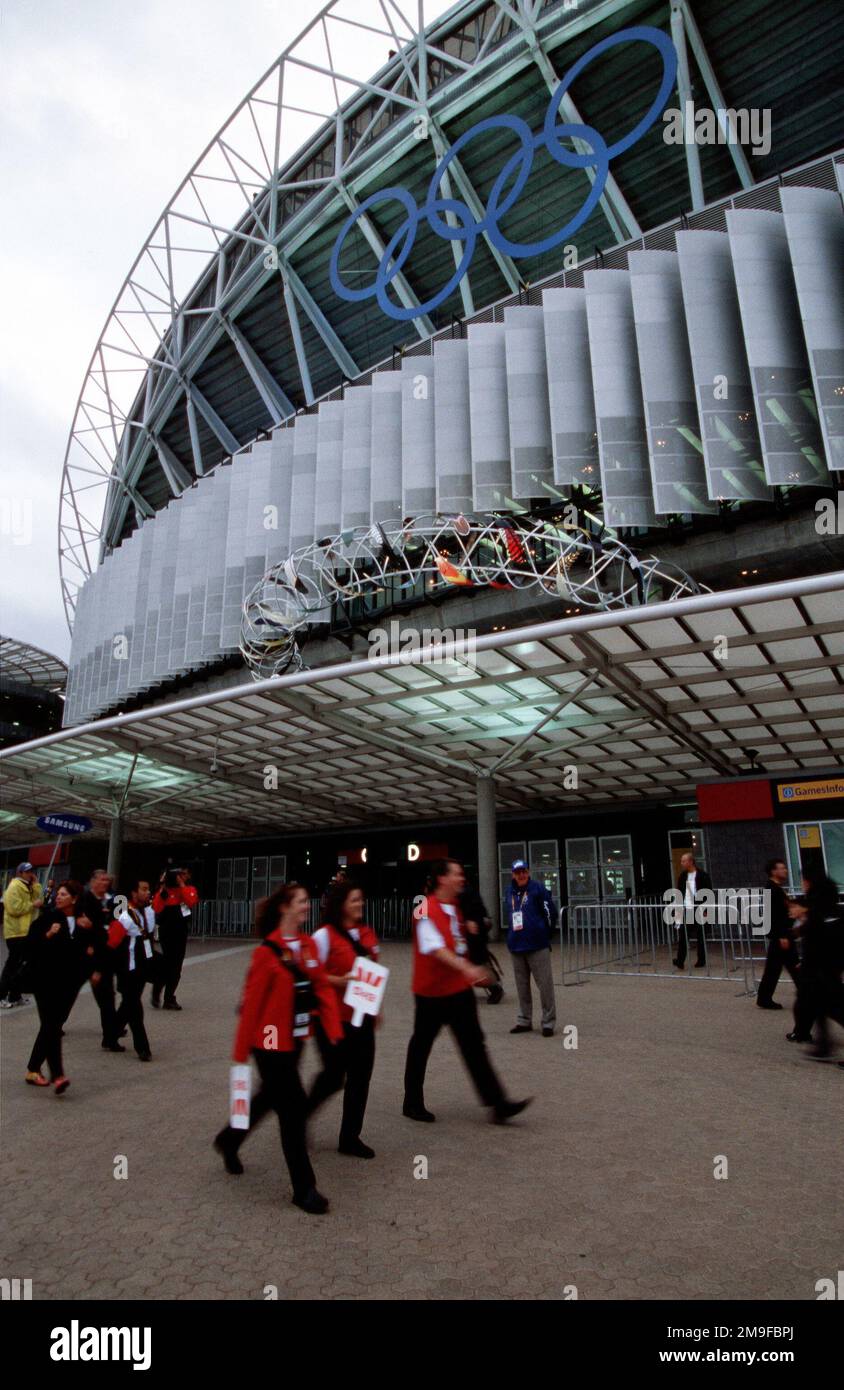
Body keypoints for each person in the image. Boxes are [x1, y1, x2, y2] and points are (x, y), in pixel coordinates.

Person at [214, 884, 341, 1214]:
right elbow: (252, 1006)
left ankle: (229, 1139)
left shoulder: (307, 946)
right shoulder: (265, 954)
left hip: (295, 1040)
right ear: (285, 908)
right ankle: (304, 1189)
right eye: (301, 902)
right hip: (268, 1044)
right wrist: (240, 1054)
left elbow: (322, 988)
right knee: (293, 1110)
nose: (307, 907)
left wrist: (333, 1028)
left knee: (267, 1098)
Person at [403, 858, 531, 1125]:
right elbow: (433, 946)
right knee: (421, 1045)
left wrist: (473, 931)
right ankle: (412, 1101)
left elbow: (458, 938)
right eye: (457, 874)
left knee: (474, 1045)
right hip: (431, 992)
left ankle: (498, 1103)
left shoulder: (456, 907)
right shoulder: (423, 908)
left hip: (458, 990)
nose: (462, 878)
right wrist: (466, 967)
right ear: (442, 879)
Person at [307, 881, 380, 1158]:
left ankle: (350, 1137)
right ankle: (300, 1117)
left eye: (361, 899)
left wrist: (377, 1007)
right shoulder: (324, 937)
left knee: (361, 1078)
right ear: (340, 905)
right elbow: (309, 976)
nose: (359, 904)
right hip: (332, 1018)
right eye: (353, 900)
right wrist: (339, 980)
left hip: (362, 1016)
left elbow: (373, 971)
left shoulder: (366, 933)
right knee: (333, 1076)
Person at [24, 881, 88, 1094]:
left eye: (63, 894)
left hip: (67, 983)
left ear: (74, 898)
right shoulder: (49, 918)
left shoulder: (82, 920)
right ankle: (58, 1075)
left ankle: (33, 1069)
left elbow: (92, 945)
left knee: (51, 1026)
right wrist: (48, 935)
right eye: (58, 894)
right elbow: (31, 946)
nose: (58, 897)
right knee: (52, 1026)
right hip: (44, 980)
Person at [789, 872, 844, 1059]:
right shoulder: (825, 908)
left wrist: (800, 924)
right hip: (821, 967)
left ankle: (822, 1044)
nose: (802, 884)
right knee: (818, 1005)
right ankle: (824, 1045)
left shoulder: (821, 911)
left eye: (804, 880)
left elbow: (815, 934)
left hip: (823, 968)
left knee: (833, 1007)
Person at [505, 860, 557, 1036]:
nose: (521, 875)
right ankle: (524, 1020)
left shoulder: (538, 889)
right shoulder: (509, 891)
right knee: (522, 986)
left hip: (537, 945)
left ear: (528, 872)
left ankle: (548, 1022)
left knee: (545, 984)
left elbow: (551, 912)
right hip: (516, 945)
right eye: (517, 872)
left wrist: (545, 933)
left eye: (524, 871)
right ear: (513, 874)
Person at [106, 879, 154, 1062]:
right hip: (128, 968)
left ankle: (111, 1035)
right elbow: (112, 943)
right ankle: (142, 1047)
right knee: (134, 1006)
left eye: (148, 889)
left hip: (142, 965)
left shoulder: (148, 911)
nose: (147, 892)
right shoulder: (125, 917)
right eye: (143, 889)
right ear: (133, 894)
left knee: (128, 1004)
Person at [78, 868, 121, 1050]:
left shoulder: (112, 899)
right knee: (67, 994)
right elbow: (83, 929)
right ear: (93, 881)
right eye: (102, 880)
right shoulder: (85, 899)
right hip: (87, 955)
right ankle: (55, 1024)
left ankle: (110, 1036)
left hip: (104, 955)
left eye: (107, 880)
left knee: (107, 997)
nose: (106, 883)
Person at [151, 869, 198, 1010]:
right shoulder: (164, 891)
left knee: (177, 966)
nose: (181, 877)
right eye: (179, 875)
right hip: (167, 932)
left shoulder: (188, 889)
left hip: (180, 932)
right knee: (168, 964)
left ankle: (169, 997)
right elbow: (157, 907)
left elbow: (191, 901)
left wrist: (181, 885)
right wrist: (162, 885)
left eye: (183, 874)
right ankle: (158, 992)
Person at [756, 859, 800, 1011]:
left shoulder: (776, 888)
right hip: (781, 935)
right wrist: (781, 935)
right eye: (782, 868)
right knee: (790, 966)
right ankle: (808, 993)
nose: (785, 871)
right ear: (774, 871)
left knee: (776, 968)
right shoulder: (771, 889)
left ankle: (764, 997)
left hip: (782, 934)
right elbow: (772, 915)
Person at [0, 863, 43, 1009]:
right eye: (27, 872)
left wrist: (37, 886)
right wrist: (32, 905)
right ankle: (1, 995)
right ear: (20, 873)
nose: (31, 874)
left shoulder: (28, 886)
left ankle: (15, 995)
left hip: (26, 931)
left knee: (21, 966)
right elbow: (14, 908)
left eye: (32, 871)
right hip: (16, 933)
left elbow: (39, 899)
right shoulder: (14, 887)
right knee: (12, 965)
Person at [460, 883, 504, 1004]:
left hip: (473, 937)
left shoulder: (463, 893)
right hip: (474, 937)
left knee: (476, 965)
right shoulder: (467, 891)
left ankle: (494, 987)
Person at [672, 853, 712, 970]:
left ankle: (701, 959)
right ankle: (680, 960)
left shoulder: (703, 875)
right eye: (681, 861)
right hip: (687, 909)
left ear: (691, 862)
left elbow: (708, 892)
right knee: (683, 935)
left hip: (699, 908)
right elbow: (679, 892)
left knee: (701, 935)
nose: (682, 863)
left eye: (684, 861)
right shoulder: (683, 876)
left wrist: (706, 909)